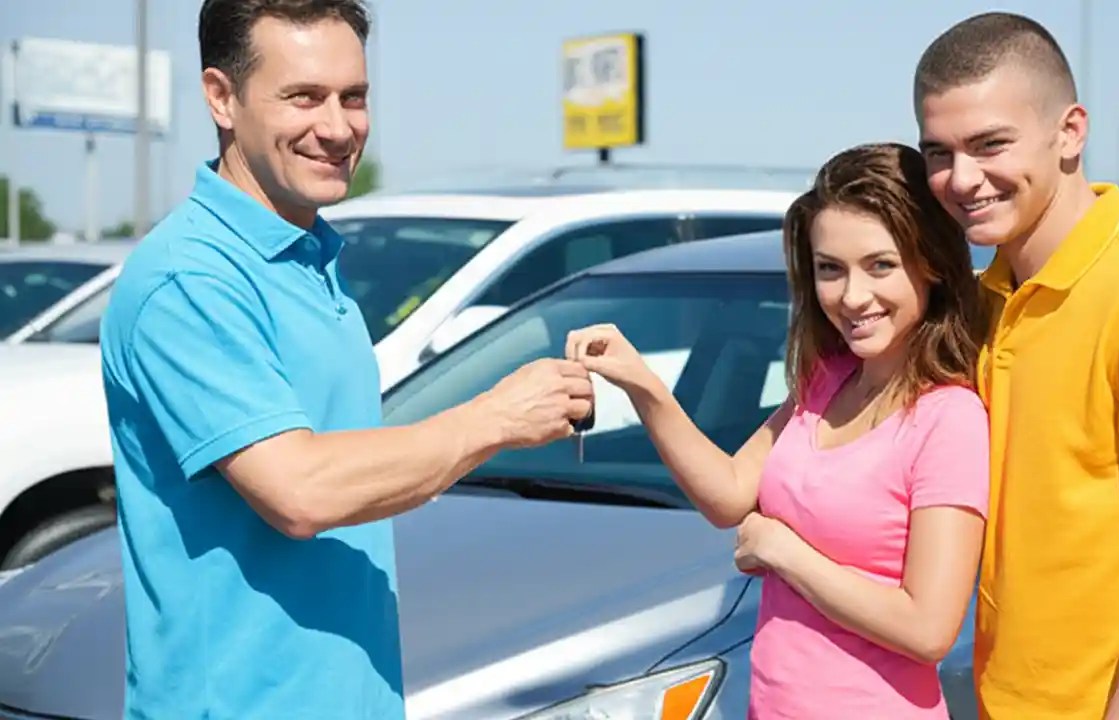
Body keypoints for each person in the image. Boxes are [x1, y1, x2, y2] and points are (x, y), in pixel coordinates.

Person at [98, 1, 593, 718]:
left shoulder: (307, 256)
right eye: (303, 97)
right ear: (220, 97)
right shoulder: (189, 280)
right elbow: (299, 491)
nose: (337, 127)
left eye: (353, 97)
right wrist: (495, 418)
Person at [564, 143, 991, 718]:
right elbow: (730, 494)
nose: (852, 296)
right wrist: (644, 385)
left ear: (931, 265)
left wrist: (786, 553)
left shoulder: (949, 419)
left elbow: (929, 627)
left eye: (880, 265)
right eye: (830, 269)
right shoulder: (828, 379)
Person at [913, 11, 1119, 720]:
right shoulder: (981, 303)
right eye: (938, 152)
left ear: (1070, 131)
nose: (961, 178)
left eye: (989, 145)